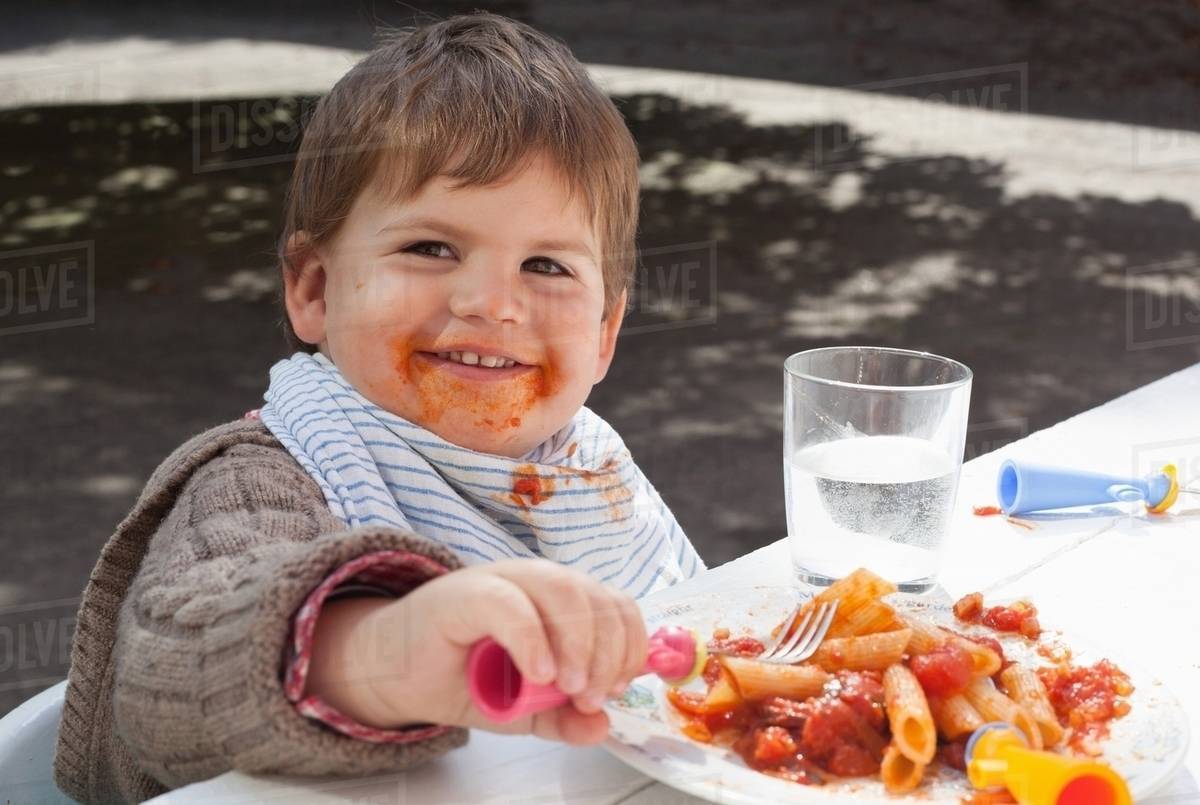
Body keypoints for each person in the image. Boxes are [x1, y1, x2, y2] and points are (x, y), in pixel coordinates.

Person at [52, 12, 705, 803]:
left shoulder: (587, 474)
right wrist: (386, 651)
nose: (491, 303)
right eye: (430, 248)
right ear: (315, 289)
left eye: (546, 264)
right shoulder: (266, 478)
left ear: (605, 333)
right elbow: (167, 672)